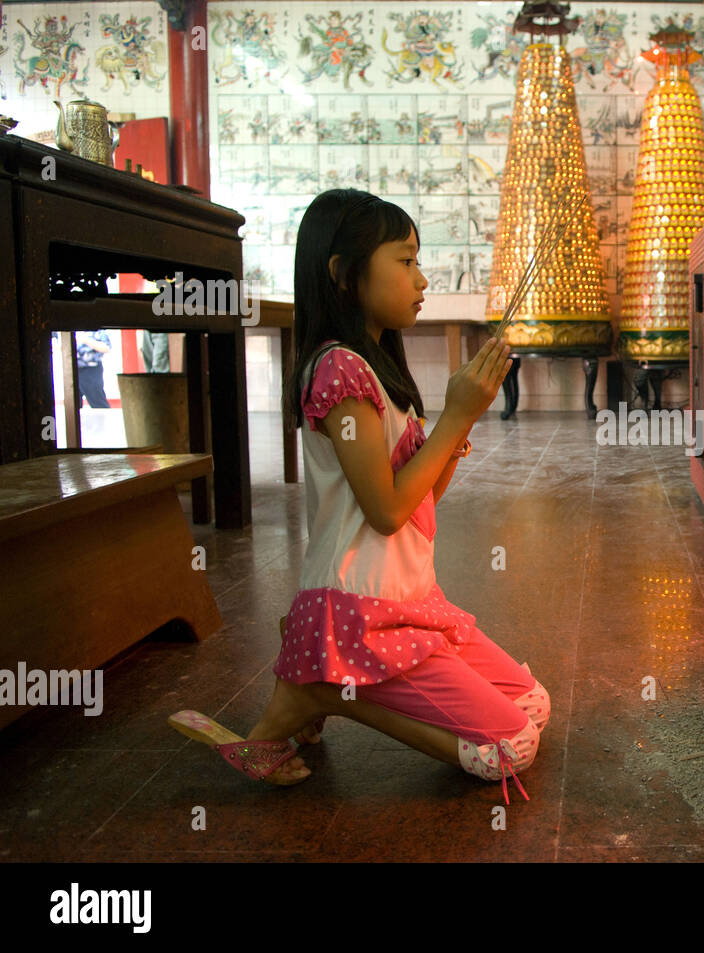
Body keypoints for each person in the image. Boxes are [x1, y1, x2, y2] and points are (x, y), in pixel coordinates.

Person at [169, 189, 548, 802]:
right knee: (509, 748)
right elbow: (385, 510)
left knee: (532, 702)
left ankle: (316, 690)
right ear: (344, 275)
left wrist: (460, 425)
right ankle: (323, 691)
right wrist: (455, 418)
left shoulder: (376, 369)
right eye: (404, 261)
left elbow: (418, 506)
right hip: (360, 606)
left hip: (407, 598)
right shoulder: (338, 370)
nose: (421, 279)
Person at [75, 330, 112, 408]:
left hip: (91, 369)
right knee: (74, 403)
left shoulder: (98, 331)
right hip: (73, 369)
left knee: (97, 401)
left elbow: (106, 348)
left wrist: (85, 340)